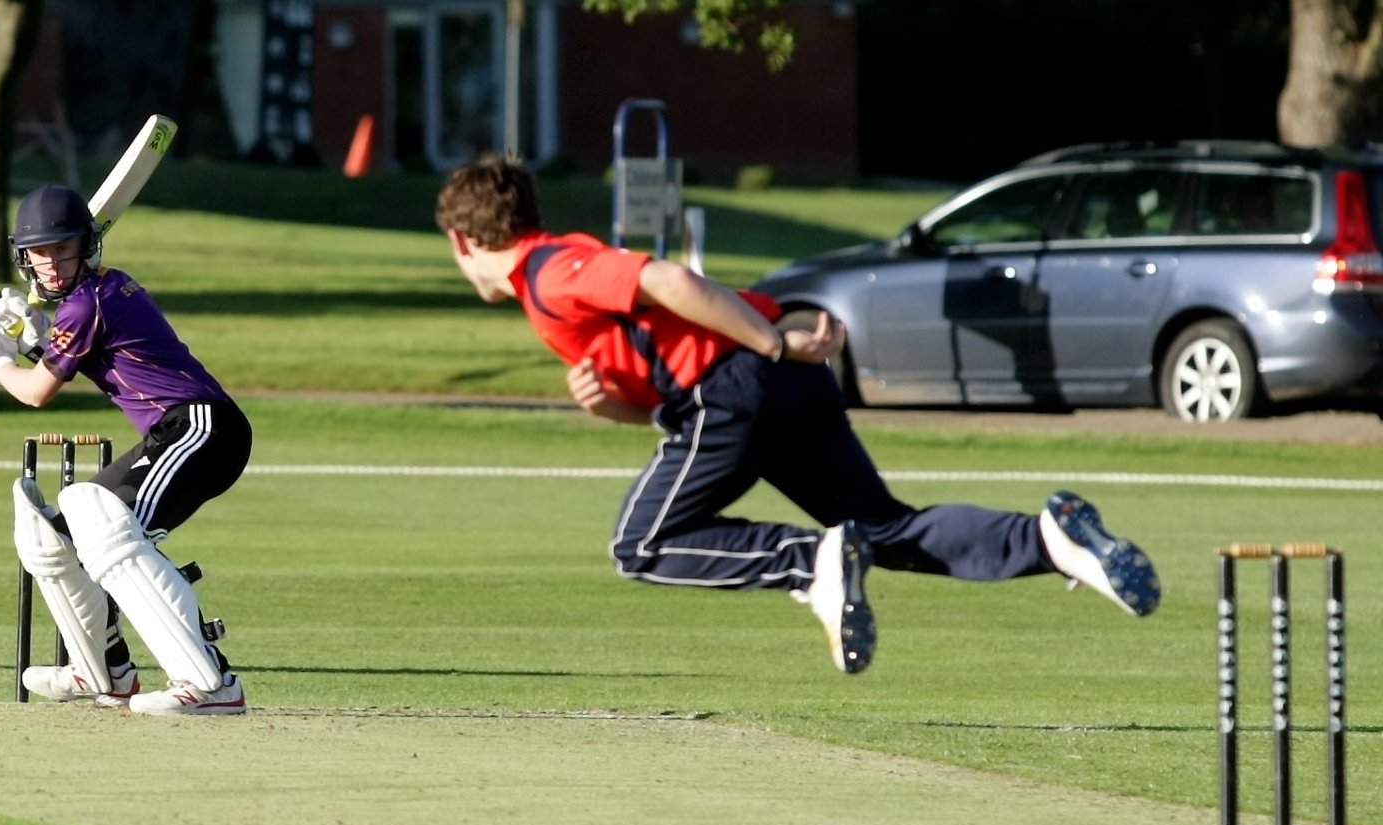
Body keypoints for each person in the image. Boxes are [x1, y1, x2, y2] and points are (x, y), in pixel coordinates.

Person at [433, 156, 1161, 674]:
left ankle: (809, 563)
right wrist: (610, 404)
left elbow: (667, 277)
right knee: (883, 529)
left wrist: (771, 343)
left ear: (464, 241)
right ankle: (1052, 541)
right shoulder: (552, 282)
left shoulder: (551, 271)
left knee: (640, 544)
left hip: (742, 383)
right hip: (774, 388)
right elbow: (662, 400)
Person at [0, 184, 250, 715]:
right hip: (179, 430)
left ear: (85, 246)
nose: (49, 262)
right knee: (56, 538)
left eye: (61, 248)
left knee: (100, 520)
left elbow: (36, 391)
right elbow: (76, 351)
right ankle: (102, 671)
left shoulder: (91, 300)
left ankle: (211, 684)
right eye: (38, 251)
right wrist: (30, 339)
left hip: (203, 428)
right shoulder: (94, 296)